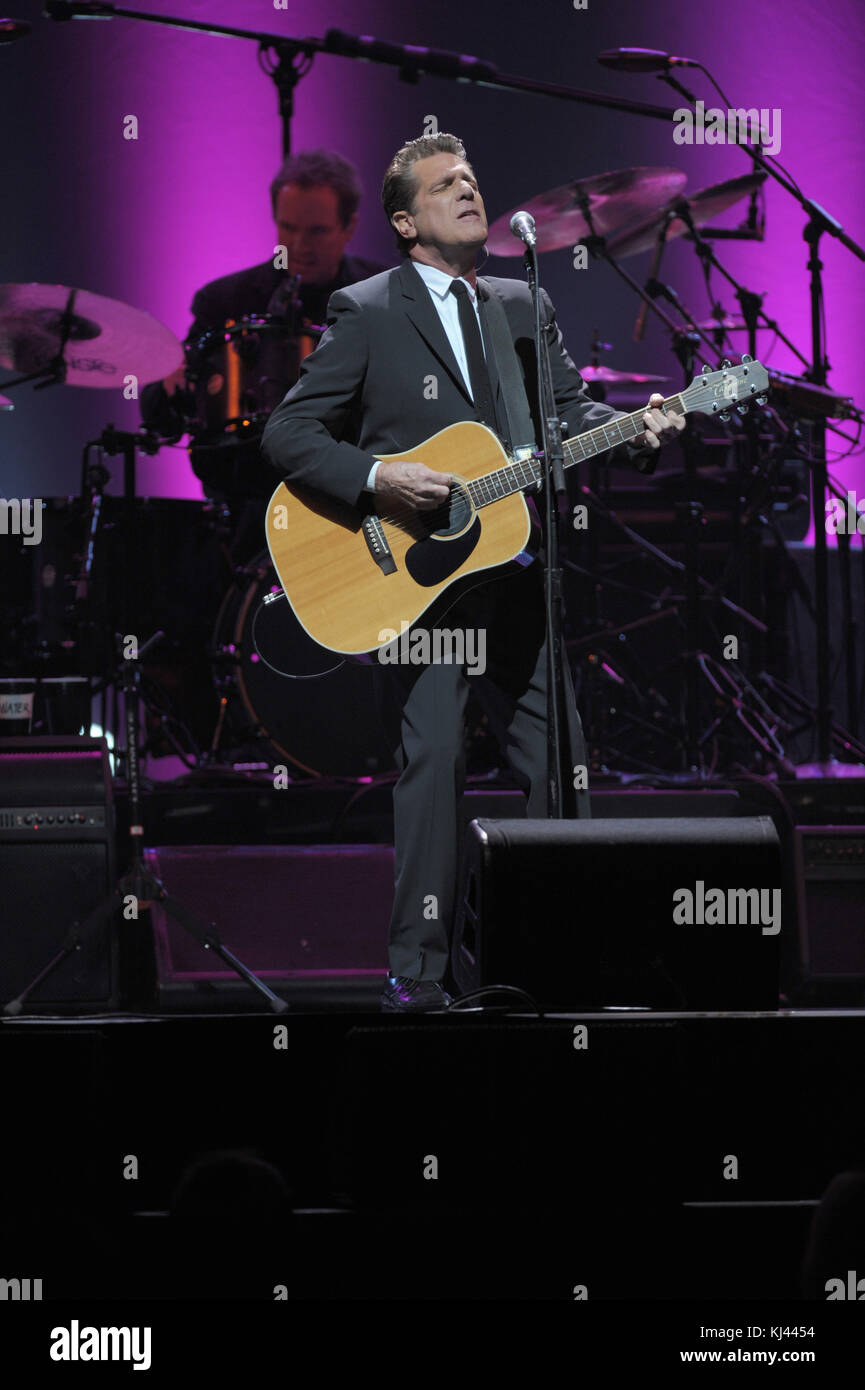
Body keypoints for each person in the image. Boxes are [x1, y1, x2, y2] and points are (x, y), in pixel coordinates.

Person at [261, 133, 685, 1012]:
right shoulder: (368, 308)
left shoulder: (521, 304)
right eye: (444, 184)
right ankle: (416, 975)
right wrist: (382, 478)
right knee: (438, 758)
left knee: (557, 761)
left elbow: (570, 414)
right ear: (406, 220)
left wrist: (638, 429)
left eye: (472, 179)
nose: (467, 190)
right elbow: (288, 434)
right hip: (416, 583)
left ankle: (554, 955)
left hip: (515, 573)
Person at [141, 148, 390, 536]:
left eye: (317, 231)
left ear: (350, 226)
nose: (299, 243)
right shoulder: (224, 301)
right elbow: (160, 414)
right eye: (287, 227)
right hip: (248, 502)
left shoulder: (385, 293)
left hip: (357, 498)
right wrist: (171, 385)